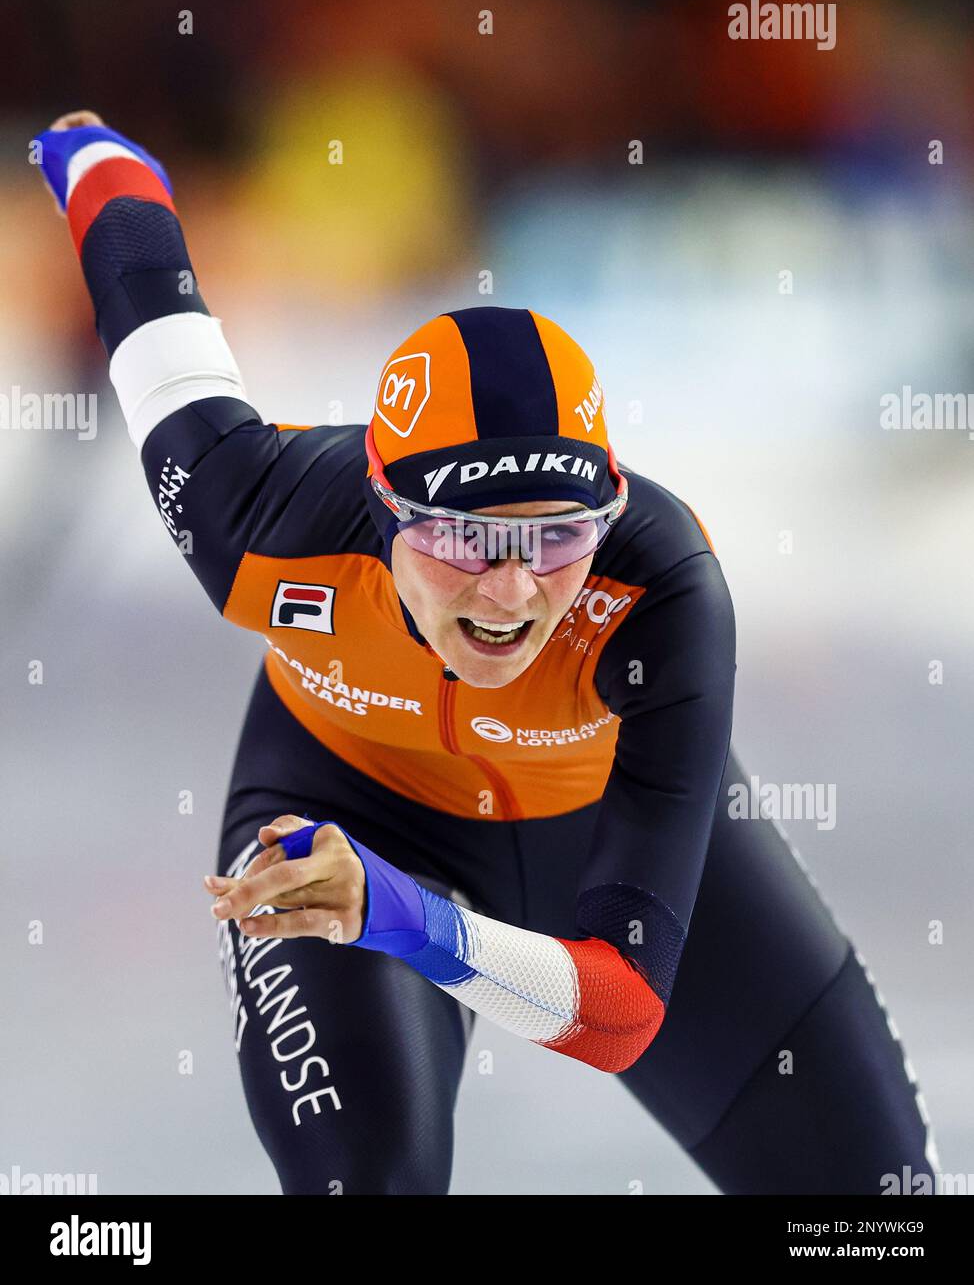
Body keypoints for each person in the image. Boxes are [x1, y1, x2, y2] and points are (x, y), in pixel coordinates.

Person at [35, 110, 939, 1196]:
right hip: (346, 813)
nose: (510, 590)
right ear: (382, 510)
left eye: (556, 536)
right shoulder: (257, 517)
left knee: (873, 1206)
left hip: (586, 828)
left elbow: (618, 1013)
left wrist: (404, 916)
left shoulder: (660, 594)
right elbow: (150, 310)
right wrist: (88, 151)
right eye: (464, 537)